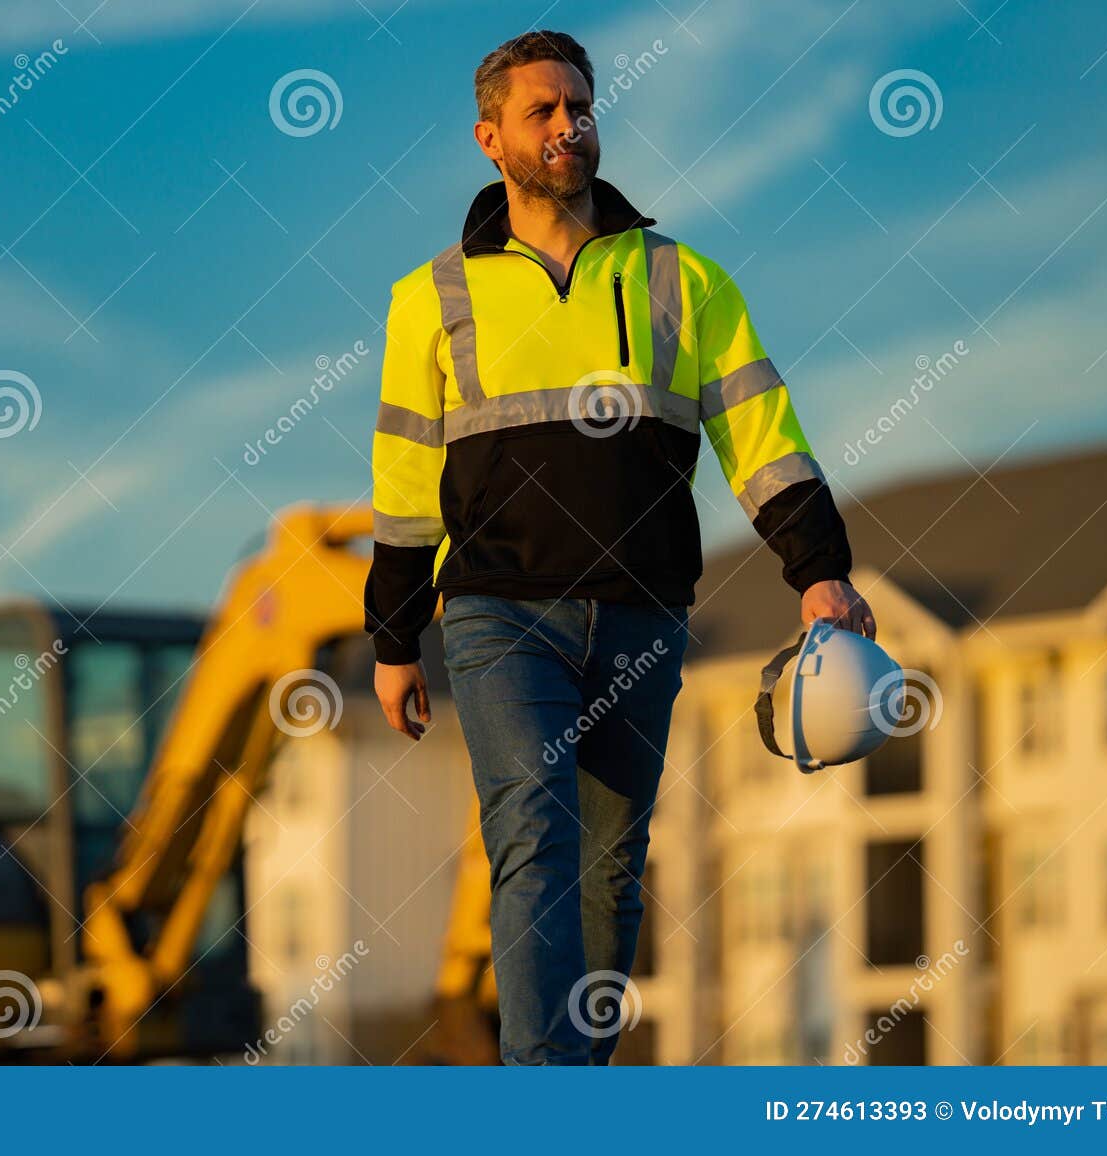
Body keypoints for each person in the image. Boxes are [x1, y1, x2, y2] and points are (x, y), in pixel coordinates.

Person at [363, 29, 876, 1065]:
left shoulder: (686, 281)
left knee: (608, 864)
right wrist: (391, 637)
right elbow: (406, 476)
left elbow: (761, 435)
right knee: (533, 838)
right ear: (488, 136)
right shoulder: (431, 298)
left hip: (643, 611)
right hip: (500, 612)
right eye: (542, 110)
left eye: (579, 107)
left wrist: (819, 570)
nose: (567, 125)